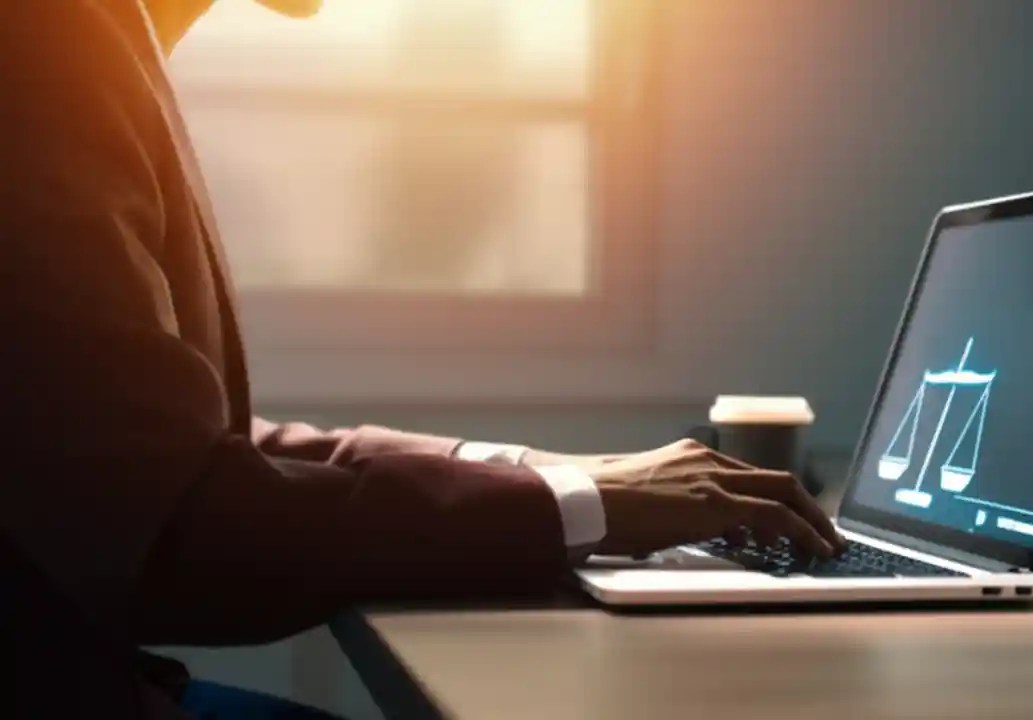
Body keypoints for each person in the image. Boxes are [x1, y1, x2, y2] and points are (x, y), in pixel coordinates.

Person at [0, 1, 840, 717]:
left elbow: (169, 454)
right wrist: (573, 506)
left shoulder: (92, 35)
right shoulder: (46, 43)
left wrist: (563, 475)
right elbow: (173, 530)